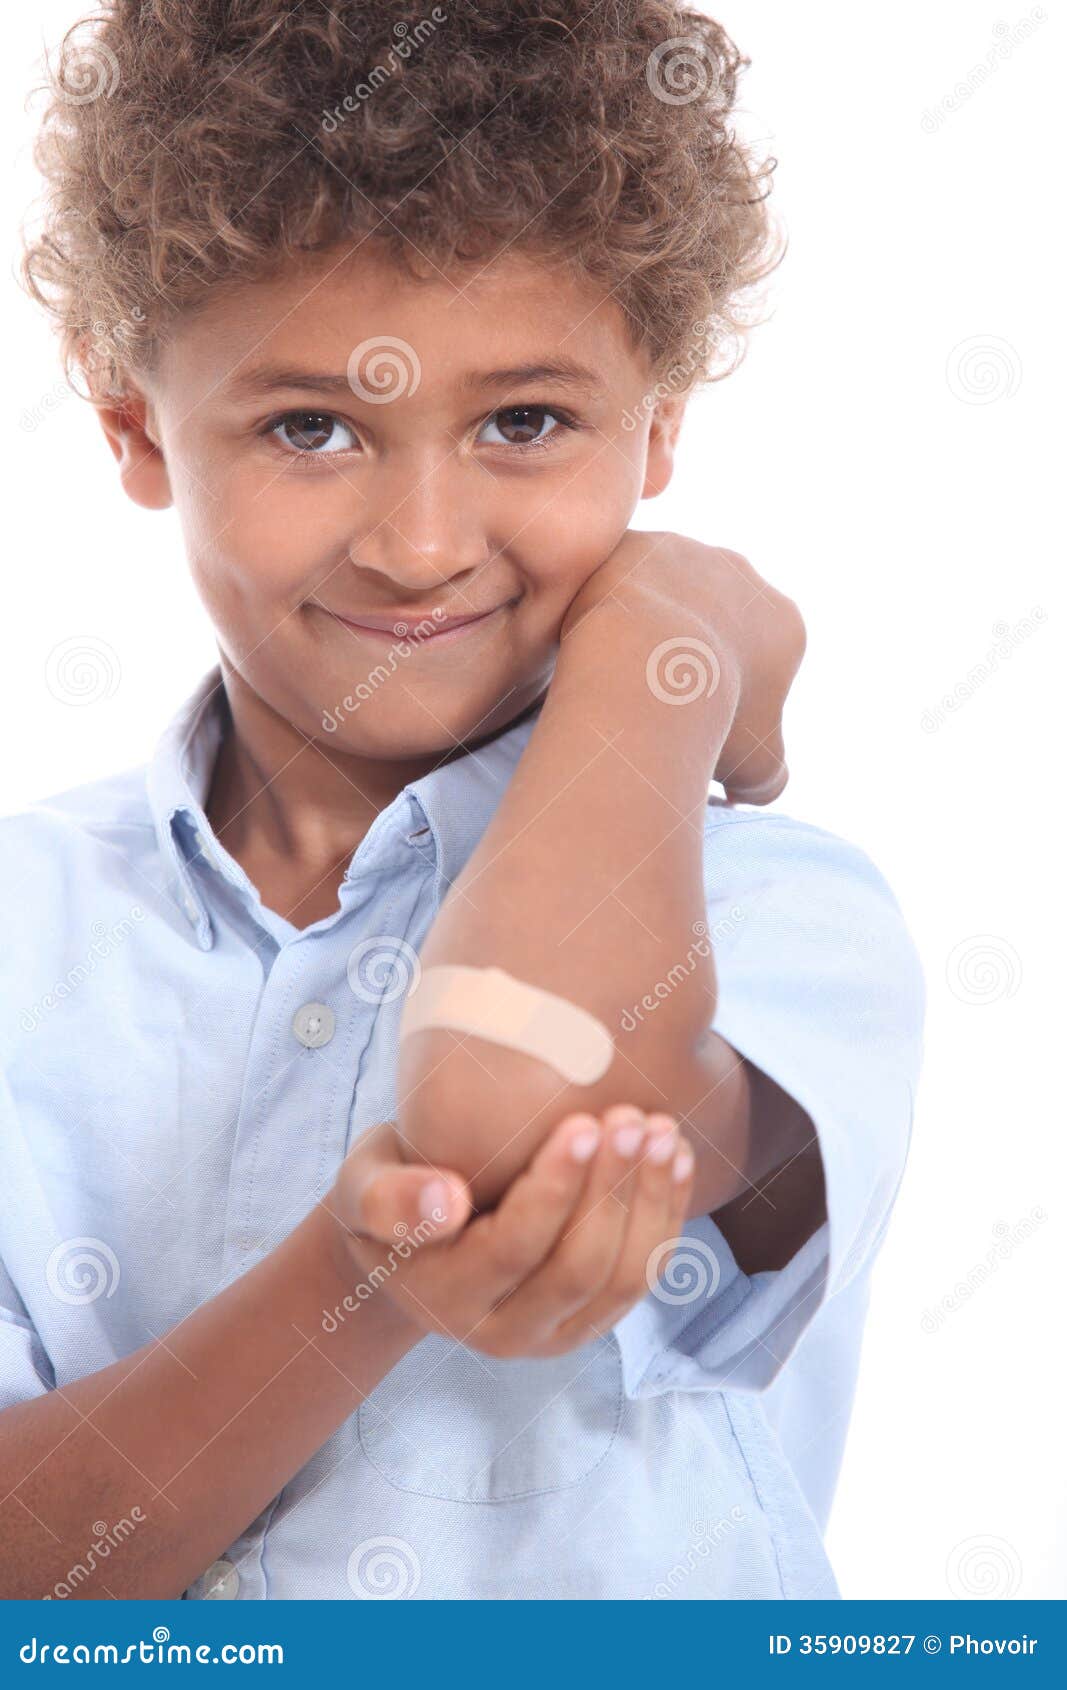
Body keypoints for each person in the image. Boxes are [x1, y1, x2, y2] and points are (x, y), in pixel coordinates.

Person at [2, 0, 923, 1599]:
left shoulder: (782, 914)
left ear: (663, 424)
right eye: (311, 425)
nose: (422, 543)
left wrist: (661, 644)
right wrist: (359, 1276)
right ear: (135, 421)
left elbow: (518, 1090)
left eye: (525, 422)